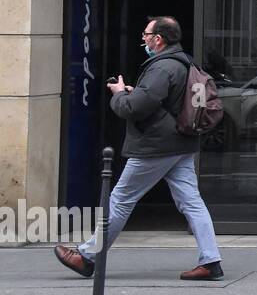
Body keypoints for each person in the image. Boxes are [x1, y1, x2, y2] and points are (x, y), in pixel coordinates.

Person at [54, 16, 224, 280]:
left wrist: (120, 94)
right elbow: (163, 99)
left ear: (159, 39)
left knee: (120, 200)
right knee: (191, 201)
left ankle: (87, 257)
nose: (142, 38)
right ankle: (211, 260)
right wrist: (136, 91)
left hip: (157, 146)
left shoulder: (162, 67)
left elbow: (133, 108)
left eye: (146, 34)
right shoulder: (185, 61)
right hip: (182, 142)